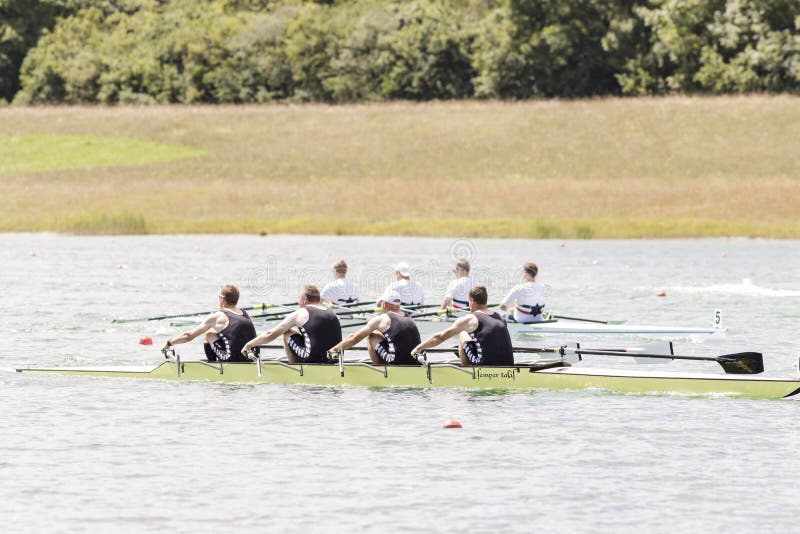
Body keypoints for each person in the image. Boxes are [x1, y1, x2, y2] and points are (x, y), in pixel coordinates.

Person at [412, 286, 513, 366]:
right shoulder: (500, 317)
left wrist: (418, 349)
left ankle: (467, 371)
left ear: (472, 300)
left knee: (463, 334)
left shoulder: (470, 319)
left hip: (483, 366)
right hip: (508, 365)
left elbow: (440, 337)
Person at [242, 284, 341, 364]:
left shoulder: (300, 313)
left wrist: (249, 345)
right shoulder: (332, 312)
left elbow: (270, 335)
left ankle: (294, 367)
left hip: (314, 358)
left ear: (304, 300)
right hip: (335, 358)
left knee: (287, 333)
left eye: (298, 298)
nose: (298, 302)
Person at [161, 284, 256, 363]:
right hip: (251, 357)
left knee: (208, 333)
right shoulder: (244, 313)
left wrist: (169, 343)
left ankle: (214, 366)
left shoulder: (219, 316)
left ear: (222, 299)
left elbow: (189, 336)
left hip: (231, 359)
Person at [329, 291, 421, 365]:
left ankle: (378, 369)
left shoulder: (382, 319)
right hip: (416, 360)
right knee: (378, 333)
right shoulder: (409, 317)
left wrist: (334, 350)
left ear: (384, 304)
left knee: (371, 336)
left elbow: (354, 338)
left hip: (396, 362)